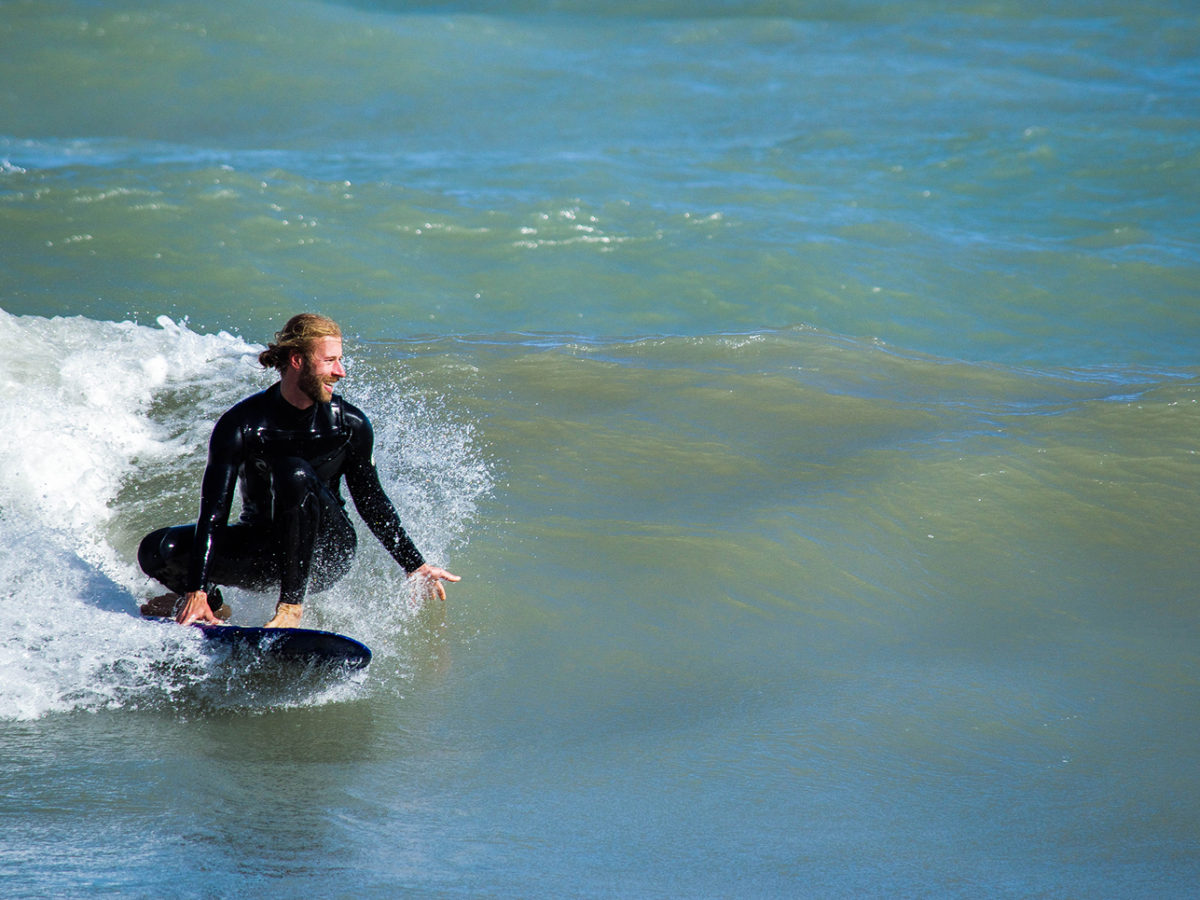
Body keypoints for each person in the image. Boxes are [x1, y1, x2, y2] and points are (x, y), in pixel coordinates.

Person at [138, 313, 459, 628]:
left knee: (294, 472)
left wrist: (413, 564)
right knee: (158, 549)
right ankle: (212, 607)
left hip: (326, 553)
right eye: (330, 361)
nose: (341, 371)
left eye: (340, 360)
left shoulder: (349, 425)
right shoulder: (243, 424)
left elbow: (372, 502)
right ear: (296, 360)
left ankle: (291, 608)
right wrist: (197, 588)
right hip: (263, 551)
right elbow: (214, 512)